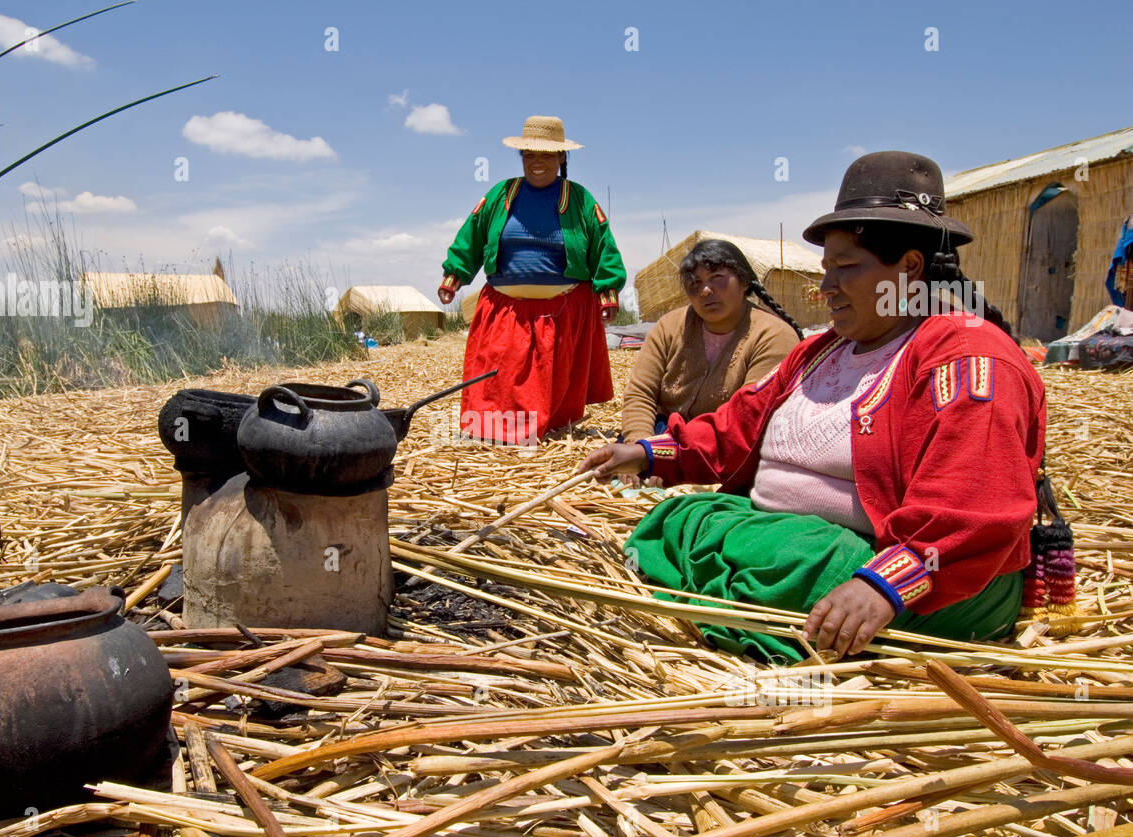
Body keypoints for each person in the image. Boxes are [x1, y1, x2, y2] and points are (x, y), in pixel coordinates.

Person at [578, 151, 1049, 662]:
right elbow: (737, 424)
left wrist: (886, 584)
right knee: (687, 516)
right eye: (826, 269)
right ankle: (753, 596)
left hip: (926, 575)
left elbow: (975, 503)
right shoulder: (822, 350)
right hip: (785, 536)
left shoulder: (965, 355)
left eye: (845, 268)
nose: (824, 288)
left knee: (799, 561)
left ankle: (768, 602)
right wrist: (648, 454)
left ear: (910, 268)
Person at [438, 116, 626, 446]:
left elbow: (602, 245)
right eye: (529, 155)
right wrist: (455, 274)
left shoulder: (580, 200)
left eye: (546, 155)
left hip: (563, 311)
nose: (537, 163)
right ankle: (495, 432)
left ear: (562, 158)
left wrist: (608, 290)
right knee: (498, 374)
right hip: (504, 309)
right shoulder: (501, 195)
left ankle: (542, 429)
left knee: (549, 385)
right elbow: (473, 233)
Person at [620, 239, 802, 443]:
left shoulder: (774, 336)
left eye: (716, 277)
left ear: (744, 281)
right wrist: (640, 445)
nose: (705, 291)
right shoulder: (668, 327)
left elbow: (748, 420)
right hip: (661, 435)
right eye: (695, 283)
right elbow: (640, 394)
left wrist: (666, 459)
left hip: (729, 447)